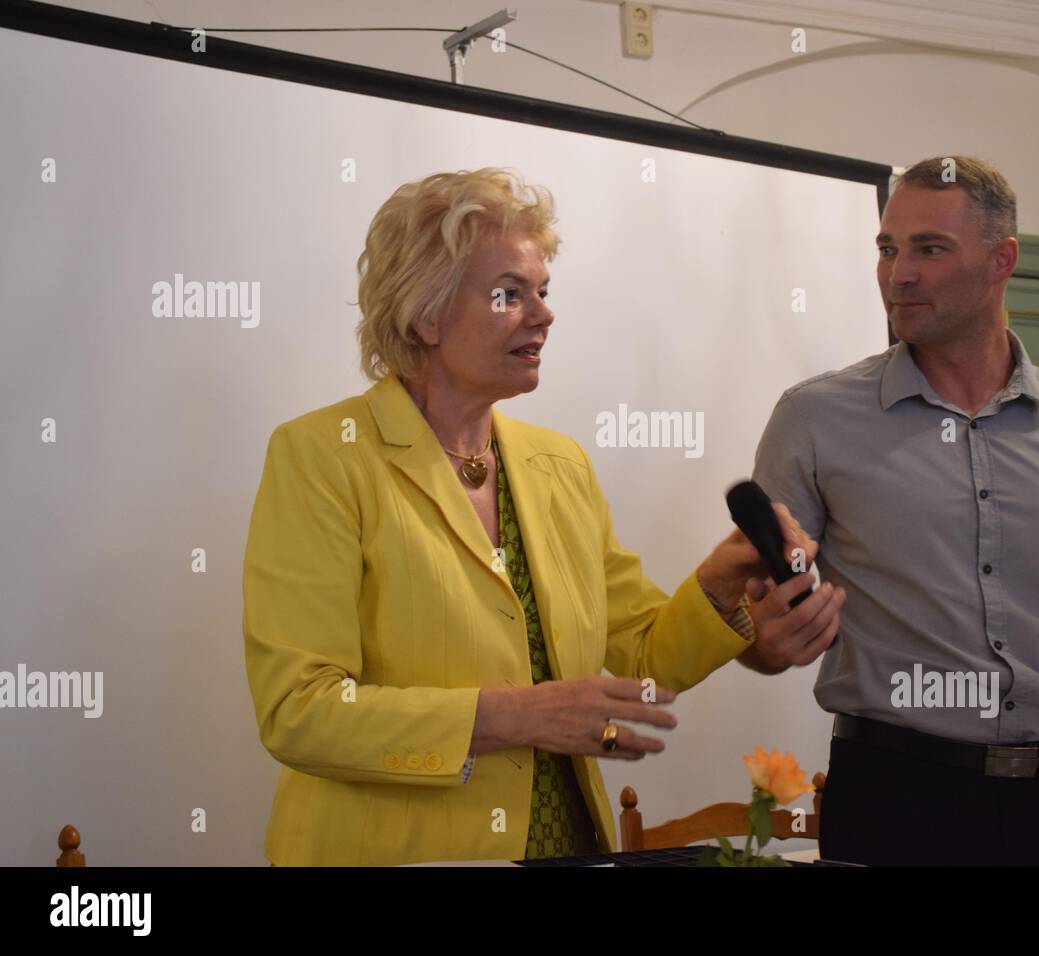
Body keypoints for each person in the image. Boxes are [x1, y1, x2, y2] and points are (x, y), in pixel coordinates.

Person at [241, 167, 843, 866]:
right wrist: (517, 715)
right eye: (509, 294)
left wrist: (715, 588)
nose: (544, 314)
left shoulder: (559, 465)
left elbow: (635, 658)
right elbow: (301, 711)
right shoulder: (322, 457)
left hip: (566, 847)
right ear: (425, 313)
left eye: (543, 292)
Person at [744, 156, 1039, 866]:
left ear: (1000, 259)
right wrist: (762, 638)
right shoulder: (813, 419)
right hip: (895, 800)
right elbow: (755, 626)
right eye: (887, 249)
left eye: (929, 249)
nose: (898, 273)